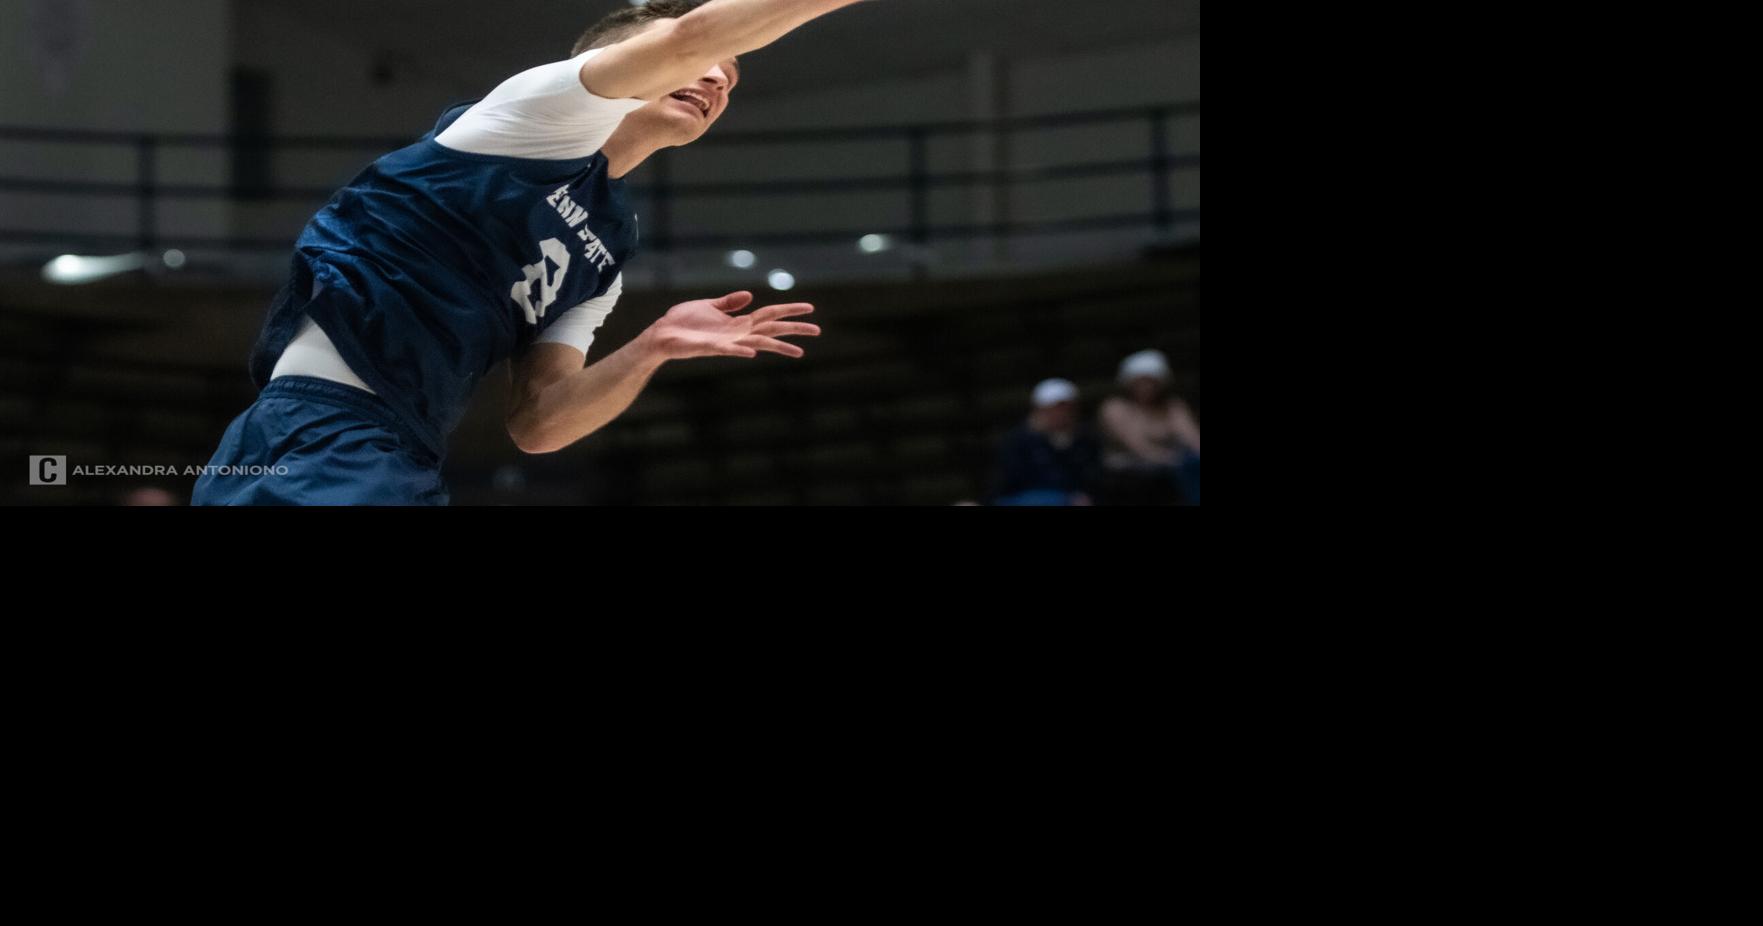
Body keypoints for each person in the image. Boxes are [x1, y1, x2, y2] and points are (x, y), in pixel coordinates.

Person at [193, 0, 871, 505]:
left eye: (731, 79)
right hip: (319, 424)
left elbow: (538, 423)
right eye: (704, 64)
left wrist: (652, 346)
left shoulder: (605, 248)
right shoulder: (537, 113)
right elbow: (693, 36)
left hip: (402, 455)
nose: (719, 76)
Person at [1097, 350, 1201, 505]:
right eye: (1140, 381)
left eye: (1152, 381)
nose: (1146, 387)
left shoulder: (1172, 407)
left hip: (1172, 472)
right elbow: (1137, 445)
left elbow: (1193, 438)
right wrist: (1176, 461)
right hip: (1128, 479)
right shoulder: (1115, 407)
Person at [989, 378, 1102, 506]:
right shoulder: (1017, 441)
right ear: (1039, 410)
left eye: (1066, 408)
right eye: (1055, 409)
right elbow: (1012, 480)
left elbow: (1092, 477)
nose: (1061, 414)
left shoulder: (1084, 440)